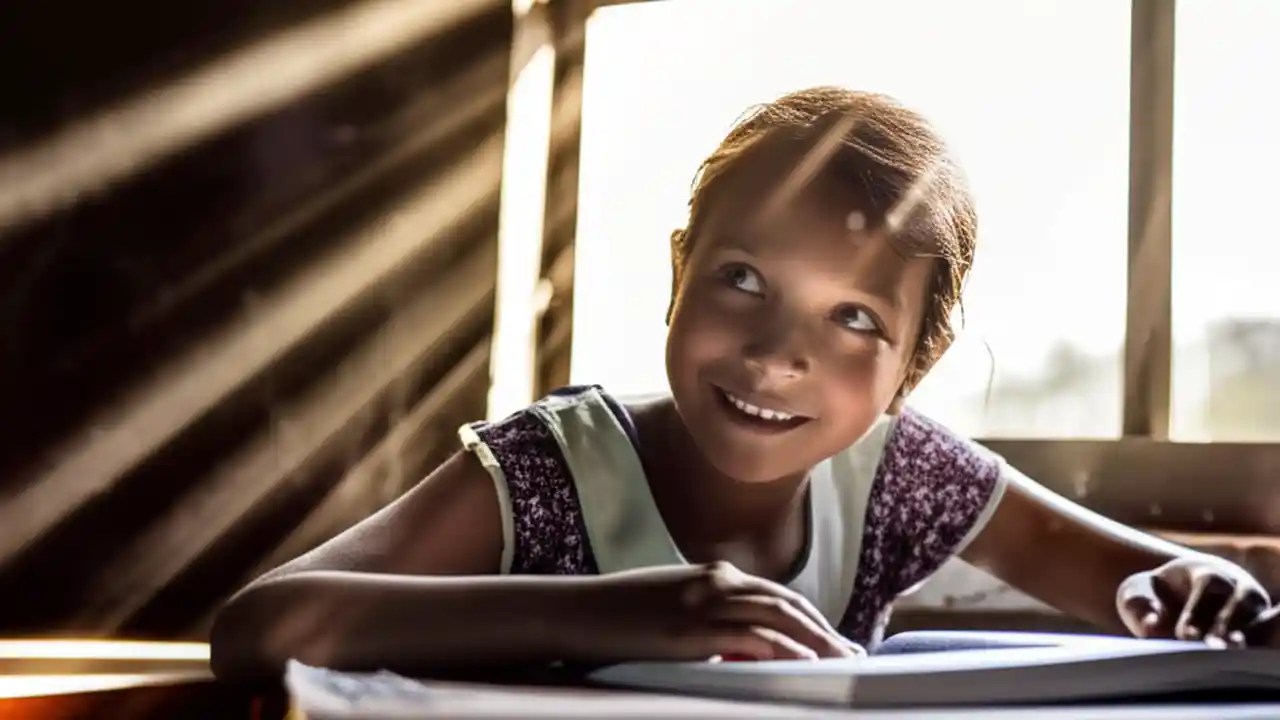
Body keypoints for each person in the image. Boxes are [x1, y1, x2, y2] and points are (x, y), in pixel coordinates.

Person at [210, 87, 1269, 681]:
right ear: (678, 275)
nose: (774, 354)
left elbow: (1136, 583)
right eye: (742, 281)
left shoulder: (898, 475)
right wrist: (618, 617)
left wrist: (1188, 587)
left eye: (853, 318)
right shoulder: (551, 468)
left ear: (916, 366)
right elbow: (260, 630)